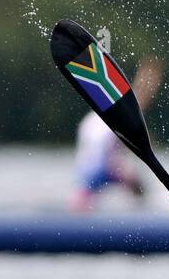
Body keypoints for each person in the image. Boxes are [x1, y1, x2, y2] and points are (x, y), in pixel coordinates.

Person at [68, 55, 163, 211]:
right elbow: (140, 98)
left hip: (89, 170)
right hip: (103, 166)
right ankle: (144, 215)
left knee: (82, 199)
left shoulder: (94, 117)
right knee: (136, 184)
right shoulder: (117, 115)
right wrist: (149, 77)